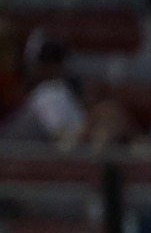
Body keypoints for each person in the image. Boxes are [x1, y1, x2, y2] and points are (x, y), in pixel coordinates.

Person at [1, 33, 132, 149]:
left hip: (38, 160)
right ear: (34, 65)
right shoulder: (47, 94)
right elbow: (65, 142)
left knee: (109, 112)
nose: (54, 66)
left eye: (56, 59)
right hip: (13, 160)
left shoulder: (59, 92)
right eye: (48, 60)